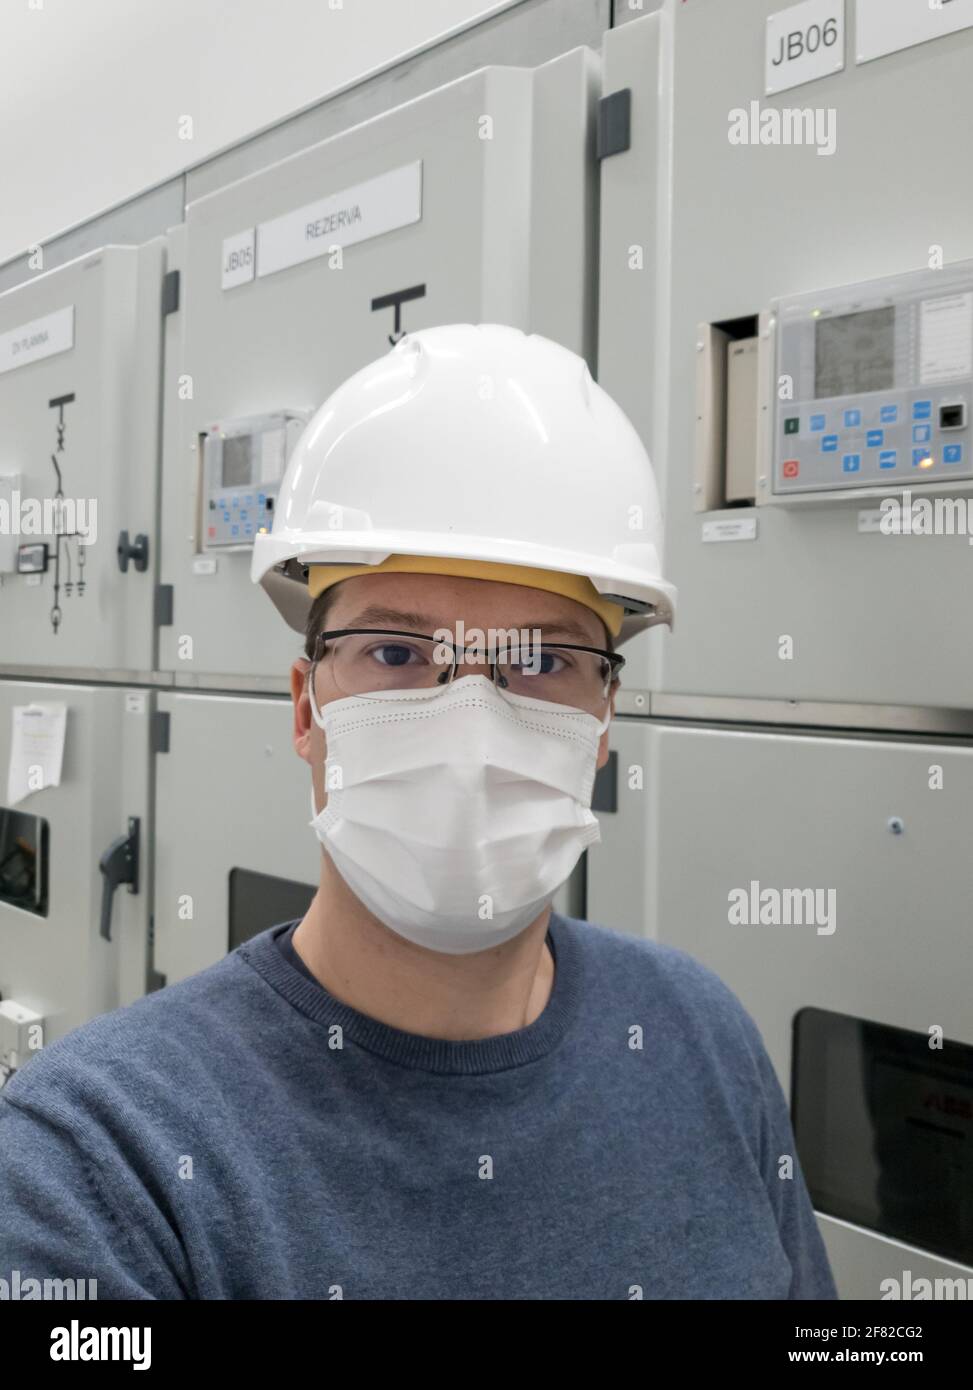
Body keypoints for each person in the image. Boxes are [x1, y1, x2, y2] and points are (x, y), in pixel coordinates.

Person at [0, 324, 837, 1299]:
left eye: (541, 662)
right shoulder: (100, 1155)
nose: (471, 725)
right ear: (309, 708)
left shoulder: (698, 1034)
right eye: (398, 653)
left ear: (602, 722)